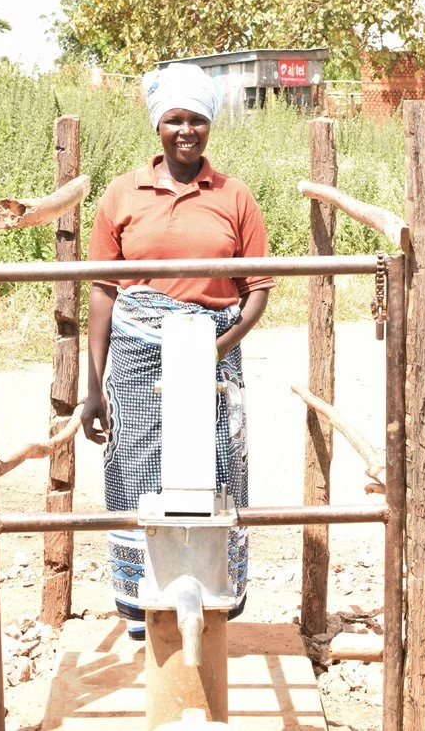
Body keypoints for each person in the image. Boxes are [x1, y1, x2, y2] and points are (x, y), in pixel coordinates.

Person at [81, 63, 275, 639]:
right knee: (137, 464)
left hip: (216, 346)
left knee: (216, 468)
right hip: (138, 349)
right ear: (157, 127)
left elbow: (258, 293)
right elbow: (102, 290)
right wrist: (93, 386)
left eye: (196, 120)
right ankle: (144, 605)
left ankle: (212, 599)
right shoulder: (122, 194)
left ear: (210, 127)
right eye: (174, 120)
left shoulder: (234, 196)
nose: (186, 130)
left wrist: (214, 349)